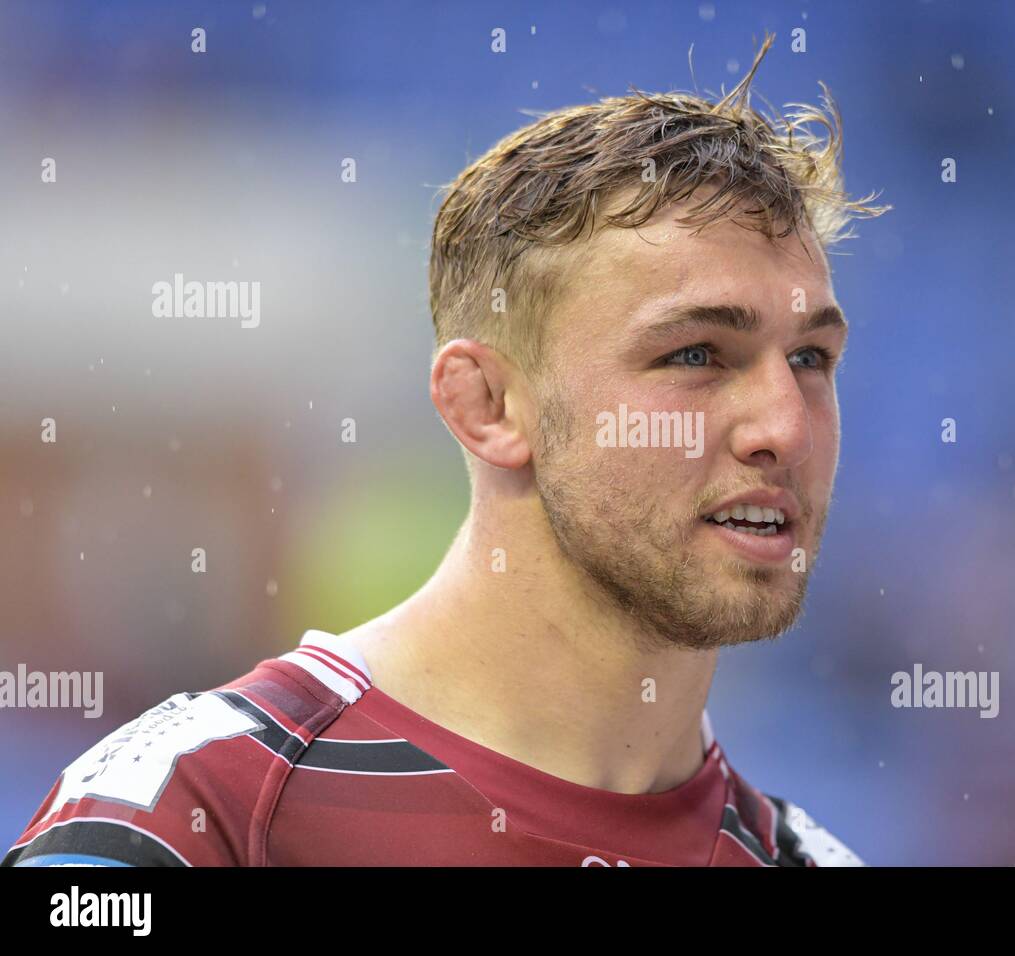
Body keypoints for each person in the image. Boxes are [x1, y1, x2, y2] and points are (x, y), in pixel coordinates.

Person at [4, 32, 885, 867]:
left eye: (811, 358)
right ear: (487, 405)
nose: (786, 426)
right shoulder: (190, 819)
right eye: (695, 354)